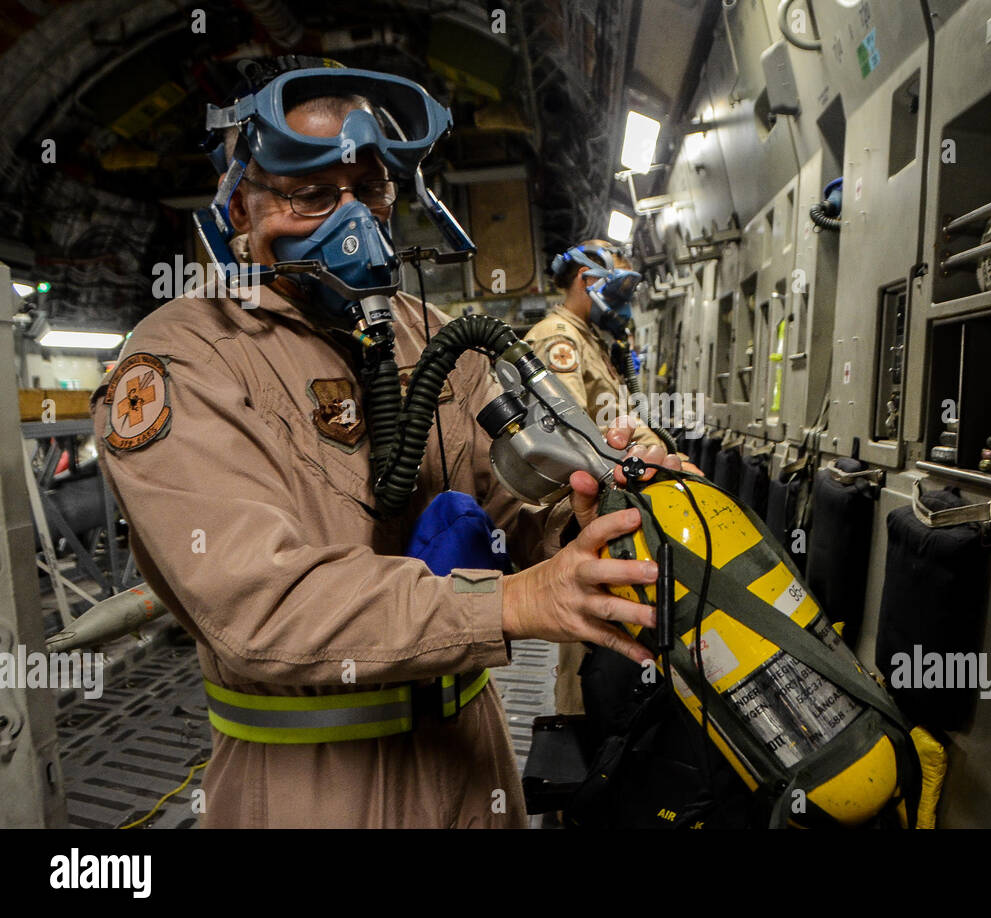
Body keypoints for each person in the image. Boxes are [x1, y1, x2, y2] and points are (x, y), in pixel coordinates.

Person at [91, 58, 675, 828]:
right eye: (310, 196)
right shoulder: (180, 361)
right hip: (313, 776)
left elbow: (516, 504)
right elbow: (263, 608)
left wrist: (604, 499)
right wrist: (505, 603)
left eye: (368, 191)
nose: (352, 222)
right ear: (238, 205)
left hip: (468, 754)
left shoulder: (428, 334)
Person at [525, 240, 667, 715]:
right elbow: (573, 437)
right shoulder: (557, 339)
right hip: (587, 510)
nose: (625, 303)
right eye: (620, 288)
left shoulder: (590, 340)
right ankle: (580, 738)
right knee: (590, 643)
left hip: (615, 507)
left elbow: (620, 416)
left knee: (614, 637)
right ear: (586, 281)